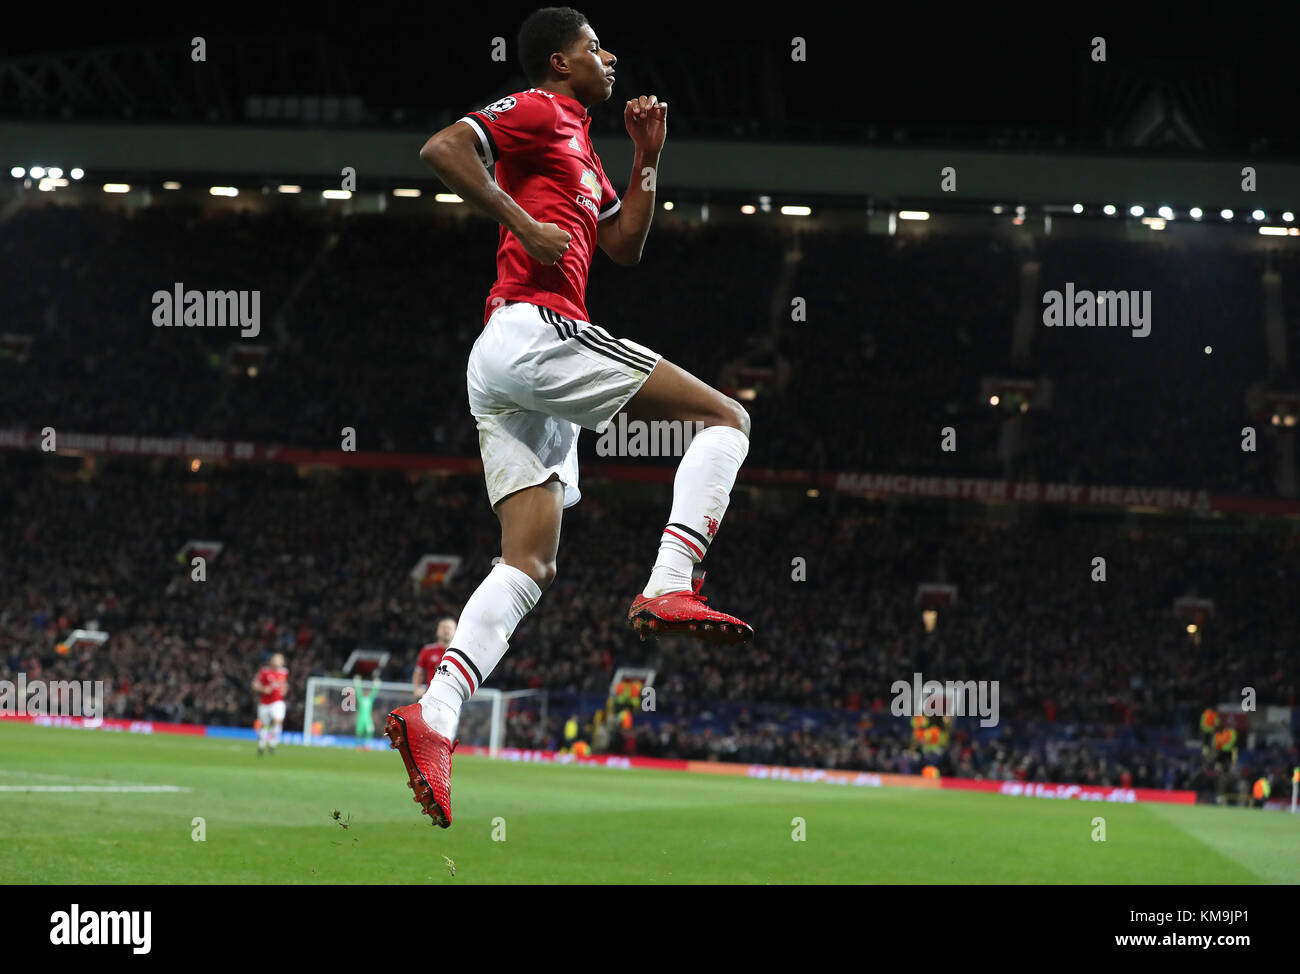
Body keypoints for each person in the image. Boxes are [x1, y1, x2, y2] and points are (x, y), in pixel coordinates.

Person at [385, 7, 753, 829]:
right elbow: (443, 147)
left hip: (512, 364)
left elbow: (624, 244)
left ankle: (434, 716)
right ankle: (668, 586)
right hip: (531, 328)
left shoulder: (583, 144)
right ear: (559, 61)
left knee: (529, 563)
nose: (610, 55)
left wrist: (647, 161)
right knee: (726, 417)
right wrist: (519, 221)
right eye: (595, 45)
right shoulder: (542, 107)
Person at [252, 653, 288, 756]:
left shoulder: (284, 672)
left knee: (277, 721)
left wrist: (284, 690)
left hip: (277, 702)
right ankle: (262, 745)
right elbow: (255, 685)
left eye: (280, 660)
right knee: (265, 725)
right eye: (277, 659)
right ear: (272, 661)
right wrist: (263, 689)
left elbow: (284, 684)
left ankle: (272, 743)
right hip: (265, 703)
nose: (279, 662)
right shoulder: (264, 672)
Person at [412, 618, 457, 697]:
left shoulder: (459, 653)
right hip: (431, 696)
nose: (446, 631)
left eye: (449, 628)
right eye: (443, 628)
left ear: (455, 632)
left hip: (453, 698)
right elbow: (419, 672)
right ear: (437, 631)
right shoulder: (428, 650)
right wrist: (417, 688)